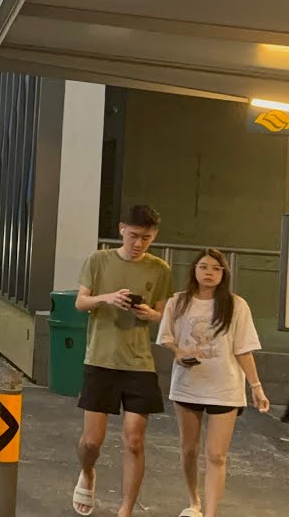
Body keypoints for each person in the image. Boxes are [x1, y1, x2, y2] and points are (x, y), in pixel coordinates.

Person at [71, 204, 172, 517]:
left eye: (147, 238)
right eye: (134, 236)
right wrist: (108, 298)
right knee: (91, 442)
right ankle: (87, 472)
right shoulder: (98, 260)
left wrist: (149, 314)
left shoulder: (160, 269)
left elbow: (163, 314)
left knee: (134, 439)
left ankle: (125, 509)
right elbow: (80, 302)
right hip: (101, 359)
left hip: (140, 364)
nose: (139, 243)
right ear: (121, 229)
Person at [157, 248, 270, 517]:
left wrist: (256, 387)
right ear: (194, 270)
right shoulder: (178, 302)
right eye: (204, 267)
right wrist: (178, 352)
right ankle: (193, 501)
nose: (209, 272)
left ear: (224, 274)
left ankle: (211, 513)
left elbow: (243, 348)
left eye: (216, 268)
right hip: (187, 385)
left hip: (225, 388)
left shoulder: (236, 304)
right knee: (188, 450)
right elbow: (166, 337)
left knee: (217, 455)